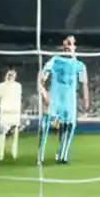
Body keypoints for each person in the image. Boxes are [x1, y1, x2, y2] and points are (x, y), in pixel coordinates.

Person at [38, 35, 90, 165]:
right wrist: (44, 93)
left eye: (71, 44)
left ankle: (63, 155)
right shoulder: (55, 60)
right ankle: (40, 156)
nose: (68, 46)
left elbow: (84, 83)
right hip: (55, 99)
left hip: (69, 101)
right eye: (66, 44)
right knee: (45, 125)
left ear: (74, 47)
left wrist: (86, 100)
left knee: (68, 126)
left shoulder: (80, 65)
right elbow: (43, 77)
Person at [0, 69, 23, 161]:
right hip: (15, 112)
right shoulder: (18, 86)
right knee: (14, 134)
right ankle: (14, 154)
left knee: (2, 134)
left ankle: (1, 155)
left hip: (5, 112)